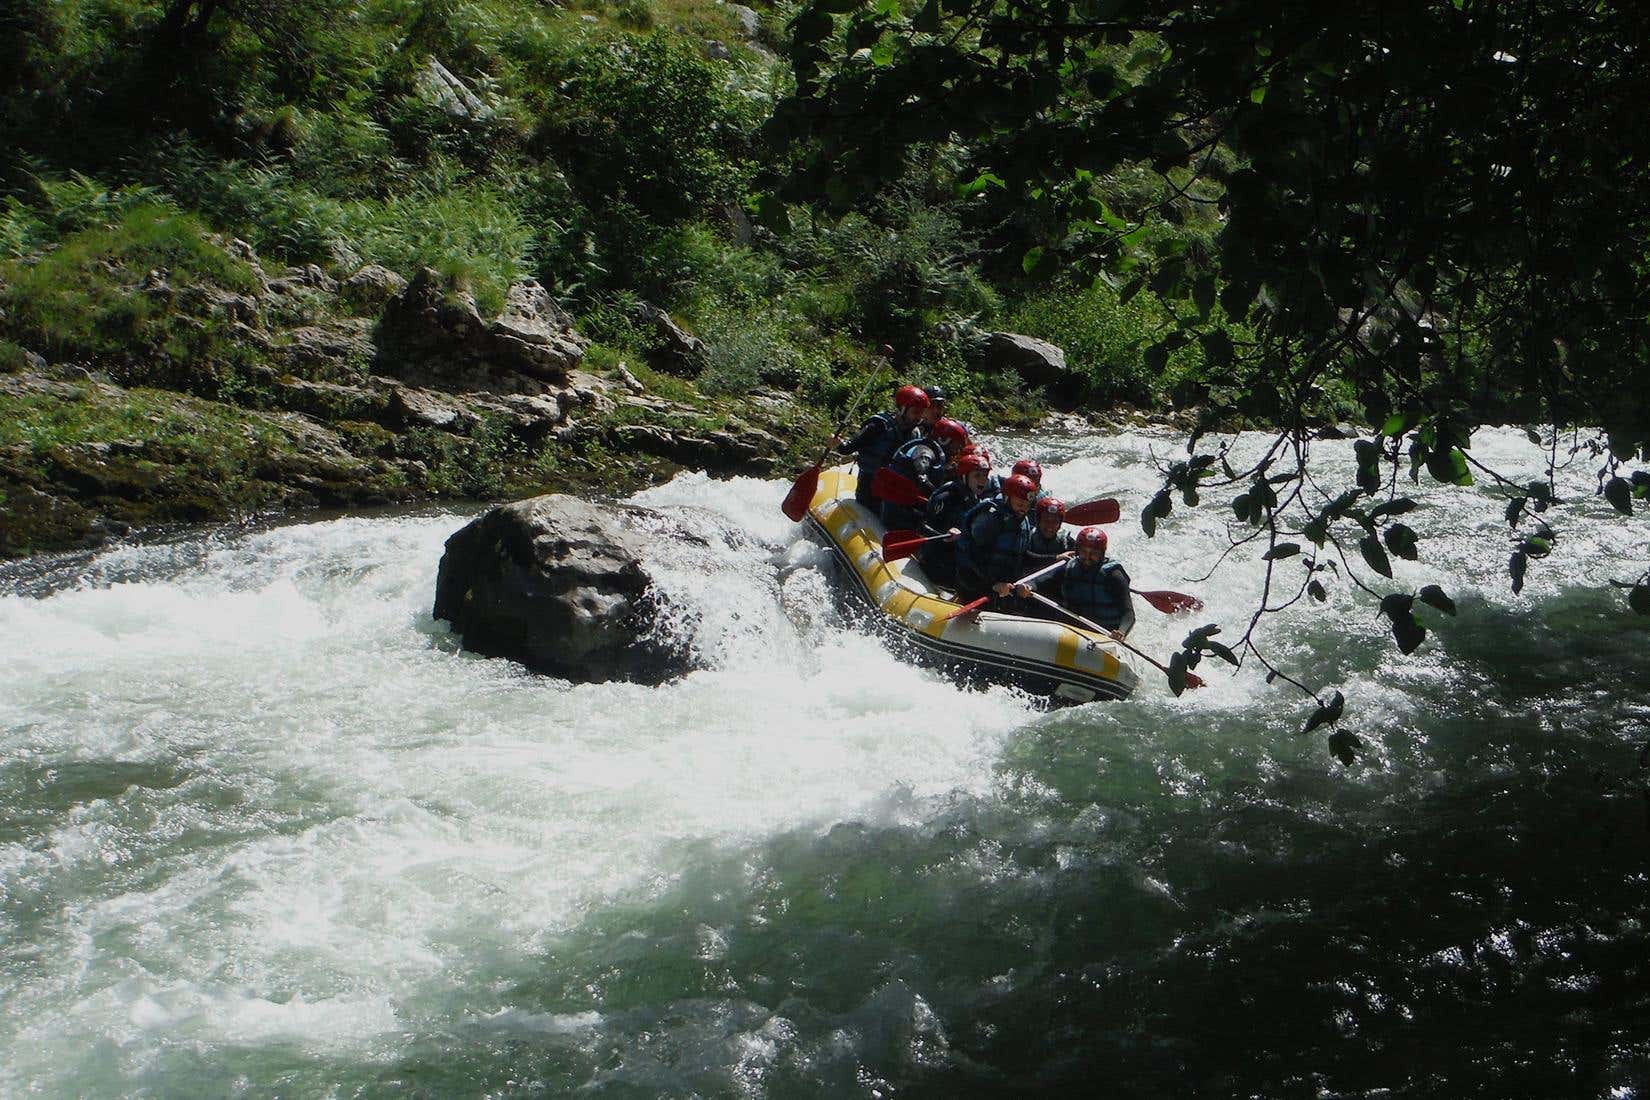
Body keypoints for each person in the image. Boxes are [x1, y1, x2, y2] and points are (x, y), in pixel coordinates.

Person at [1022, 525, 1135, 637]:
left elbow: (1129, 614)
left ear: (1102, 553)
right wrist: (1028, 587)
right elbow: (1040, 581)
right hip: (1074, 631)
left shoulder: (1113, 575)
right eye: (1084, 552)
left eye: (1094, 553)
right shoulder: (1069, 567)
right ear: (1077, 551)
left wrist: (1121, 632)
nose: (1088, 557)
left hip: (1104, 634)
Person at [830, 385, 928, 505]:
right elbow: (849, 447)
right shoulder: (878, 426)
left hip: (894, 487)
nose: (919, 418)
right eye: (915, 412)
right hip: (869, 484)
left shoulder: (915, 434)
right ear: (902, 409)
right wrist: (838, 444)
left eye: (921, 413)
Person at [955, 472, 1037, 603]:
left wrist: (1054, 558)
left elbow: (1022, 554)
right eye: (1020, 505)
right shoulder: (989, 520)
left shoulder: (1023, 521)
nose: (1023, 510)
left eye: (1027, 506)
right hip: (975, 582)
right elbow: (972, 557)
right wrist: (993, 584)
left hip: (1003, 586)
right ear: (1007, 498)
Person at [916, 450, 992, 588]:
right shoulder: (946, 497)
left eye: (985, 475)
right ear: (964, 476)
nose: (983, 480)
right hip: (936, 558)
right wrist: (944, 535)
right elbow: (923, 527)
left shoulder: (976, 498)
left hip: (958, 556)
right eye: (977, 475)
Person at [880, 417, 970, 531]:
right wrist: (936, 497)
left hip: (910, 510)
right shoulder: (925, 451)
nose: (957, 452)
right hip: (898, 515)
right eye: (955, 447)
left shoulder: (935, 454)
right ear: (944, 439)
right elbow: (922, 476)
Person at [1024, 497, 1074, 564]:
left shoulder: (1066, 540)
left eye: (1055, 521)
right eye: (1046, 520)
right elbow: (1026, 557)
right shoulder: (1027, 537)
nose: (1050, 526)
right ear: (1038, 521)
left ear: (1059, 524)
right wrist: (1056, 558)